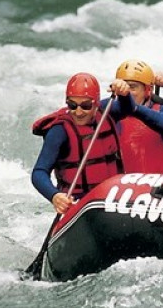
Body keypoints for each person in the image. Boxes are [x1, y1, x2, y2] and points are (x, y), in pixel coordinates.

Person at [30, 73, 123, 214]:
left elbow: (129, 107)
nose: (78, 112)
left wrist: (124, 92)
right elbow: (39, 172)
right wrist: (54, 196)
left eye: (85, 106)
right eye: (72, 105)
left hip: (112, 197)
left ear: (96, 104)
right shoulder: (59, 131)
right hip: (79, 203)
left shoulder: (107, 111)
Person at [107, 59, 163, 173]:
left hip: (158, 187)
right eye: (123, 87)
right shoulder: (111, 113)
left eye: (132, 87)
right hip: (125, 187)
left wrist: (134, 109)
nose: (127, 92)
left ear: (148, 90)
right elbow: (91, 107)